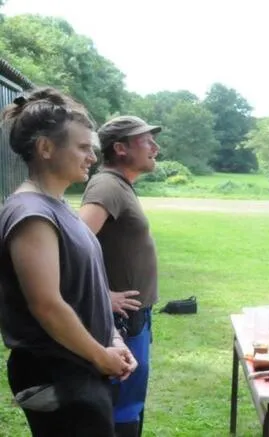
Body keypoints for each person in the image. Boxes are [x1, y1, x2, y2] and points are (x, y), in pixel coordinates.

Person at [0, 87, 137, 436]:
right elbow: (47, 305)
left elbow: (83, 290)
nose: (92, 156)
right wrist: (99, 355)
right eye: (82, 147)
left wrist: (113, 342)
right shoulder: (30, 214)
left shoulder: (58, 206)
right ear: (45, 148)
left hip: (81, 368)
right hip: (58, 373)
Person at [78, 115, 162, 437]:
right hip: (122, 322)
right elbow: (74, 246)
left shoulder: (119, 185)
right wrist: (104, 294)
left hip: (136, 318)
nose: (156, 147)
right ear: (120, 148)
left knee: (130, 402)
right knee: (122, 403)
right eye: (146, 140)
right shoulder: (107, 185)